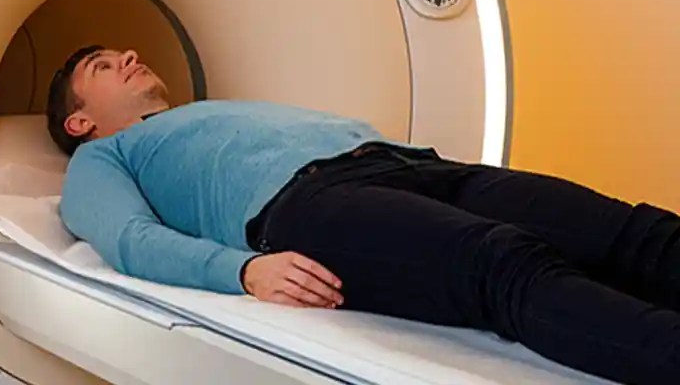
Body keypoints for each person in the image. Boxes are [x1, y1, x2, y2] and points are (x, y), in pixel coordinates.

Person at [48, 45, 680, 385]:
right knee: (501, 263)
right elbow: (131, 240)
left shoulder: (204, 111)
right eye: (103, 66)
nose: (129, 55)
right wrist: (243, 273)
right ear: (81, 121)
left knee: (620, 229)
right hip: (307, 205)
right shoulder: (104, 157)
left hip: (408, 163)